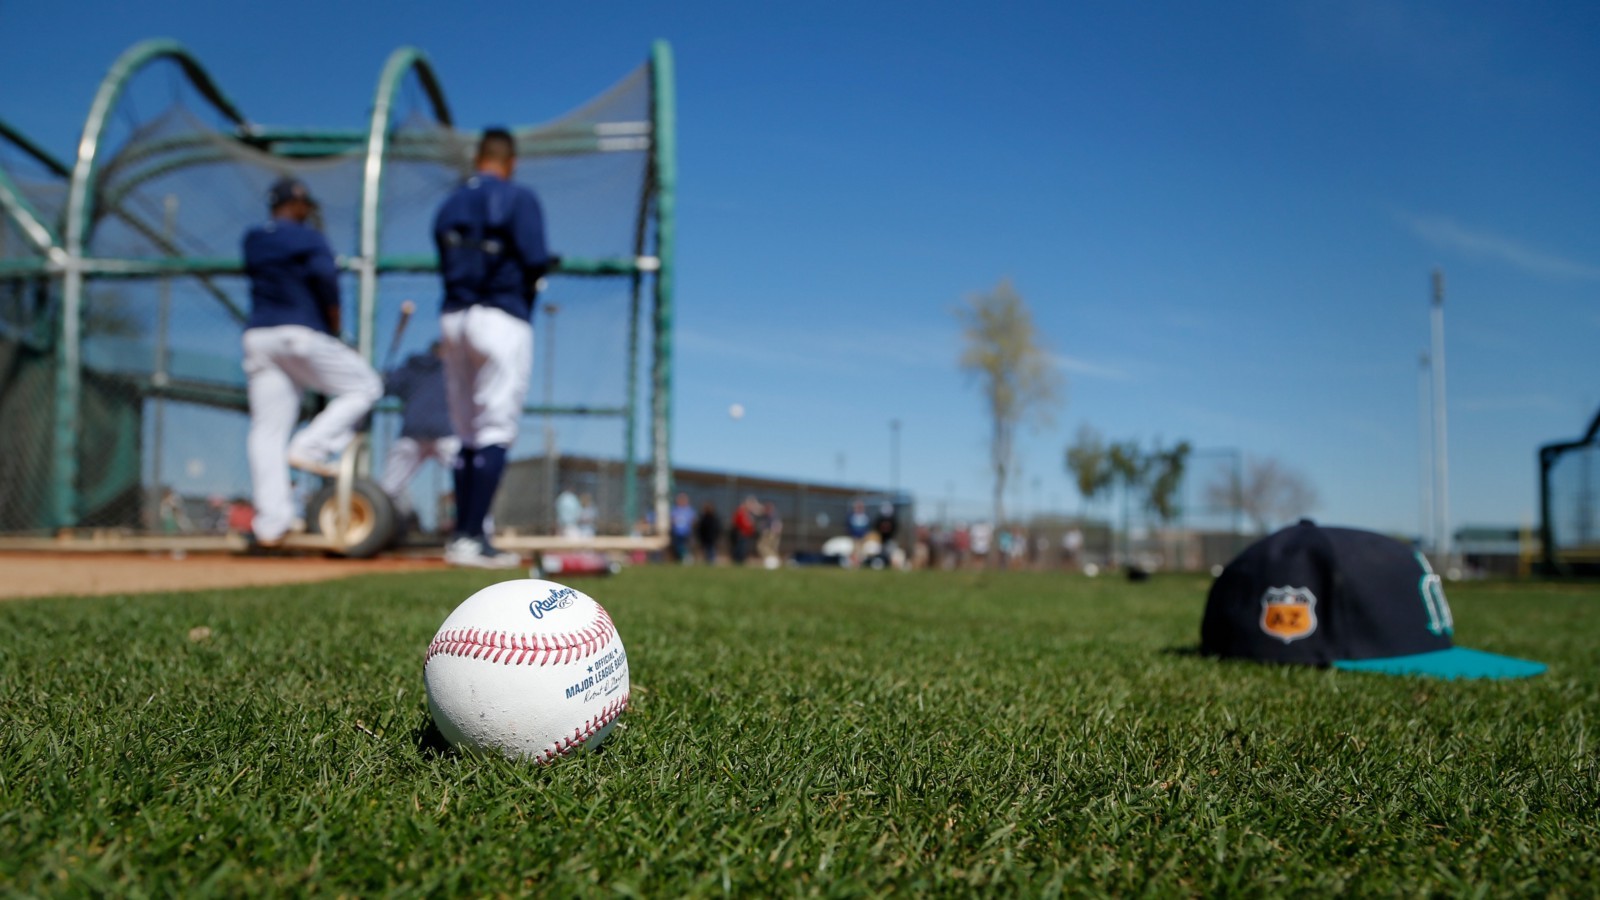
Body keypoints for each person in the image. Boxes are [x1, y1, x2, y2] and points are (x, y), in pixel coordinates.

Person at [433, 128, 555, 568]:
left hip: (454, 317)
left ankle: (461, 536)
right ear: (510, 162)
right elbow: (535, 257)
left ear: (478, 158)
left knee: (465, 431)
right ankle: (472, 536)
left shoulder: (451, 202)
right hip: (501, 316)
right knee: (495, 429)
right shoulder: (518, 197)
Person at [242, 177, 382, 548]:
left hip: (259, 339)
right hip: (299, 333)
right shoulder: (309, 237)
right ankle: (311, 447)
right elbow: (326, 282)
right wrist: (334, 327)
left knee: (267, 430)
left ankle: (271, 524)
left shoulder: (253, 239)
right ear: (295, 205)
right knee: (366, 385)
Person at [379, 342, 459, 533]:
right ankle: (481, 530)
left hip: (413, 430)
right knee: (472, 481)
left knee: (387, 490)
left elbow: (387, 388)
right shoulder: (453, 369)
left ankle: (375, 527)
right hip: (445, 431)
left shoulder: (411, 368)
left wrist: (385, 377)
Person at [731, 495, 758, 565]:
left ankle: (740, 559)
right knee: (740, 547)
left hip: (746, 533)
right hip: (742, 533)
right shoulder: (741, 512)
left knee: (743, 547)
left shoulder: (747, 513)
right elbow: (741, 523)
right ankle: (738, 560)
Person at [669, 492, 695, 563]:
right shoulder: (675, 510)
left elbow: (692, 520)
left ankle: (686, 557)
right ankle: (682, 558)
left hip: (686, 532)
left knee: (686, 546)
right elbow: (672, 519)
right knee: (678, 546)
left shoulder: (689, 510)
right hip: (677, 532)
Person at [757, 501, 783, 565]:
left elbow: (777, 525)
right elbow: (758, 510)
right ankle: (773, 560)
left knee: (765, 547)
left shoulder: (773, 515)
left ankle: (773, 560)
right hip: (769, 533)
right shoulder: (767, 514)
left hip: (770, 533)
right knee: (764, 547)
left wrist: (773, 533)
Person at [847, 500, 871, 565]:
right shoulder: (852, 516)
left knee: (861, 551)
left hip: (863, 537)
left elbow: (867, 527)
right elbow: (849, 526)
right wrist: (852, 534)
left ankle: (859, 563)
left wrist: (865, 534)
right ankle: (854, 563)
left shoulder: (865, 516)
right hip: (854, 537)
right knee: (855, 550)